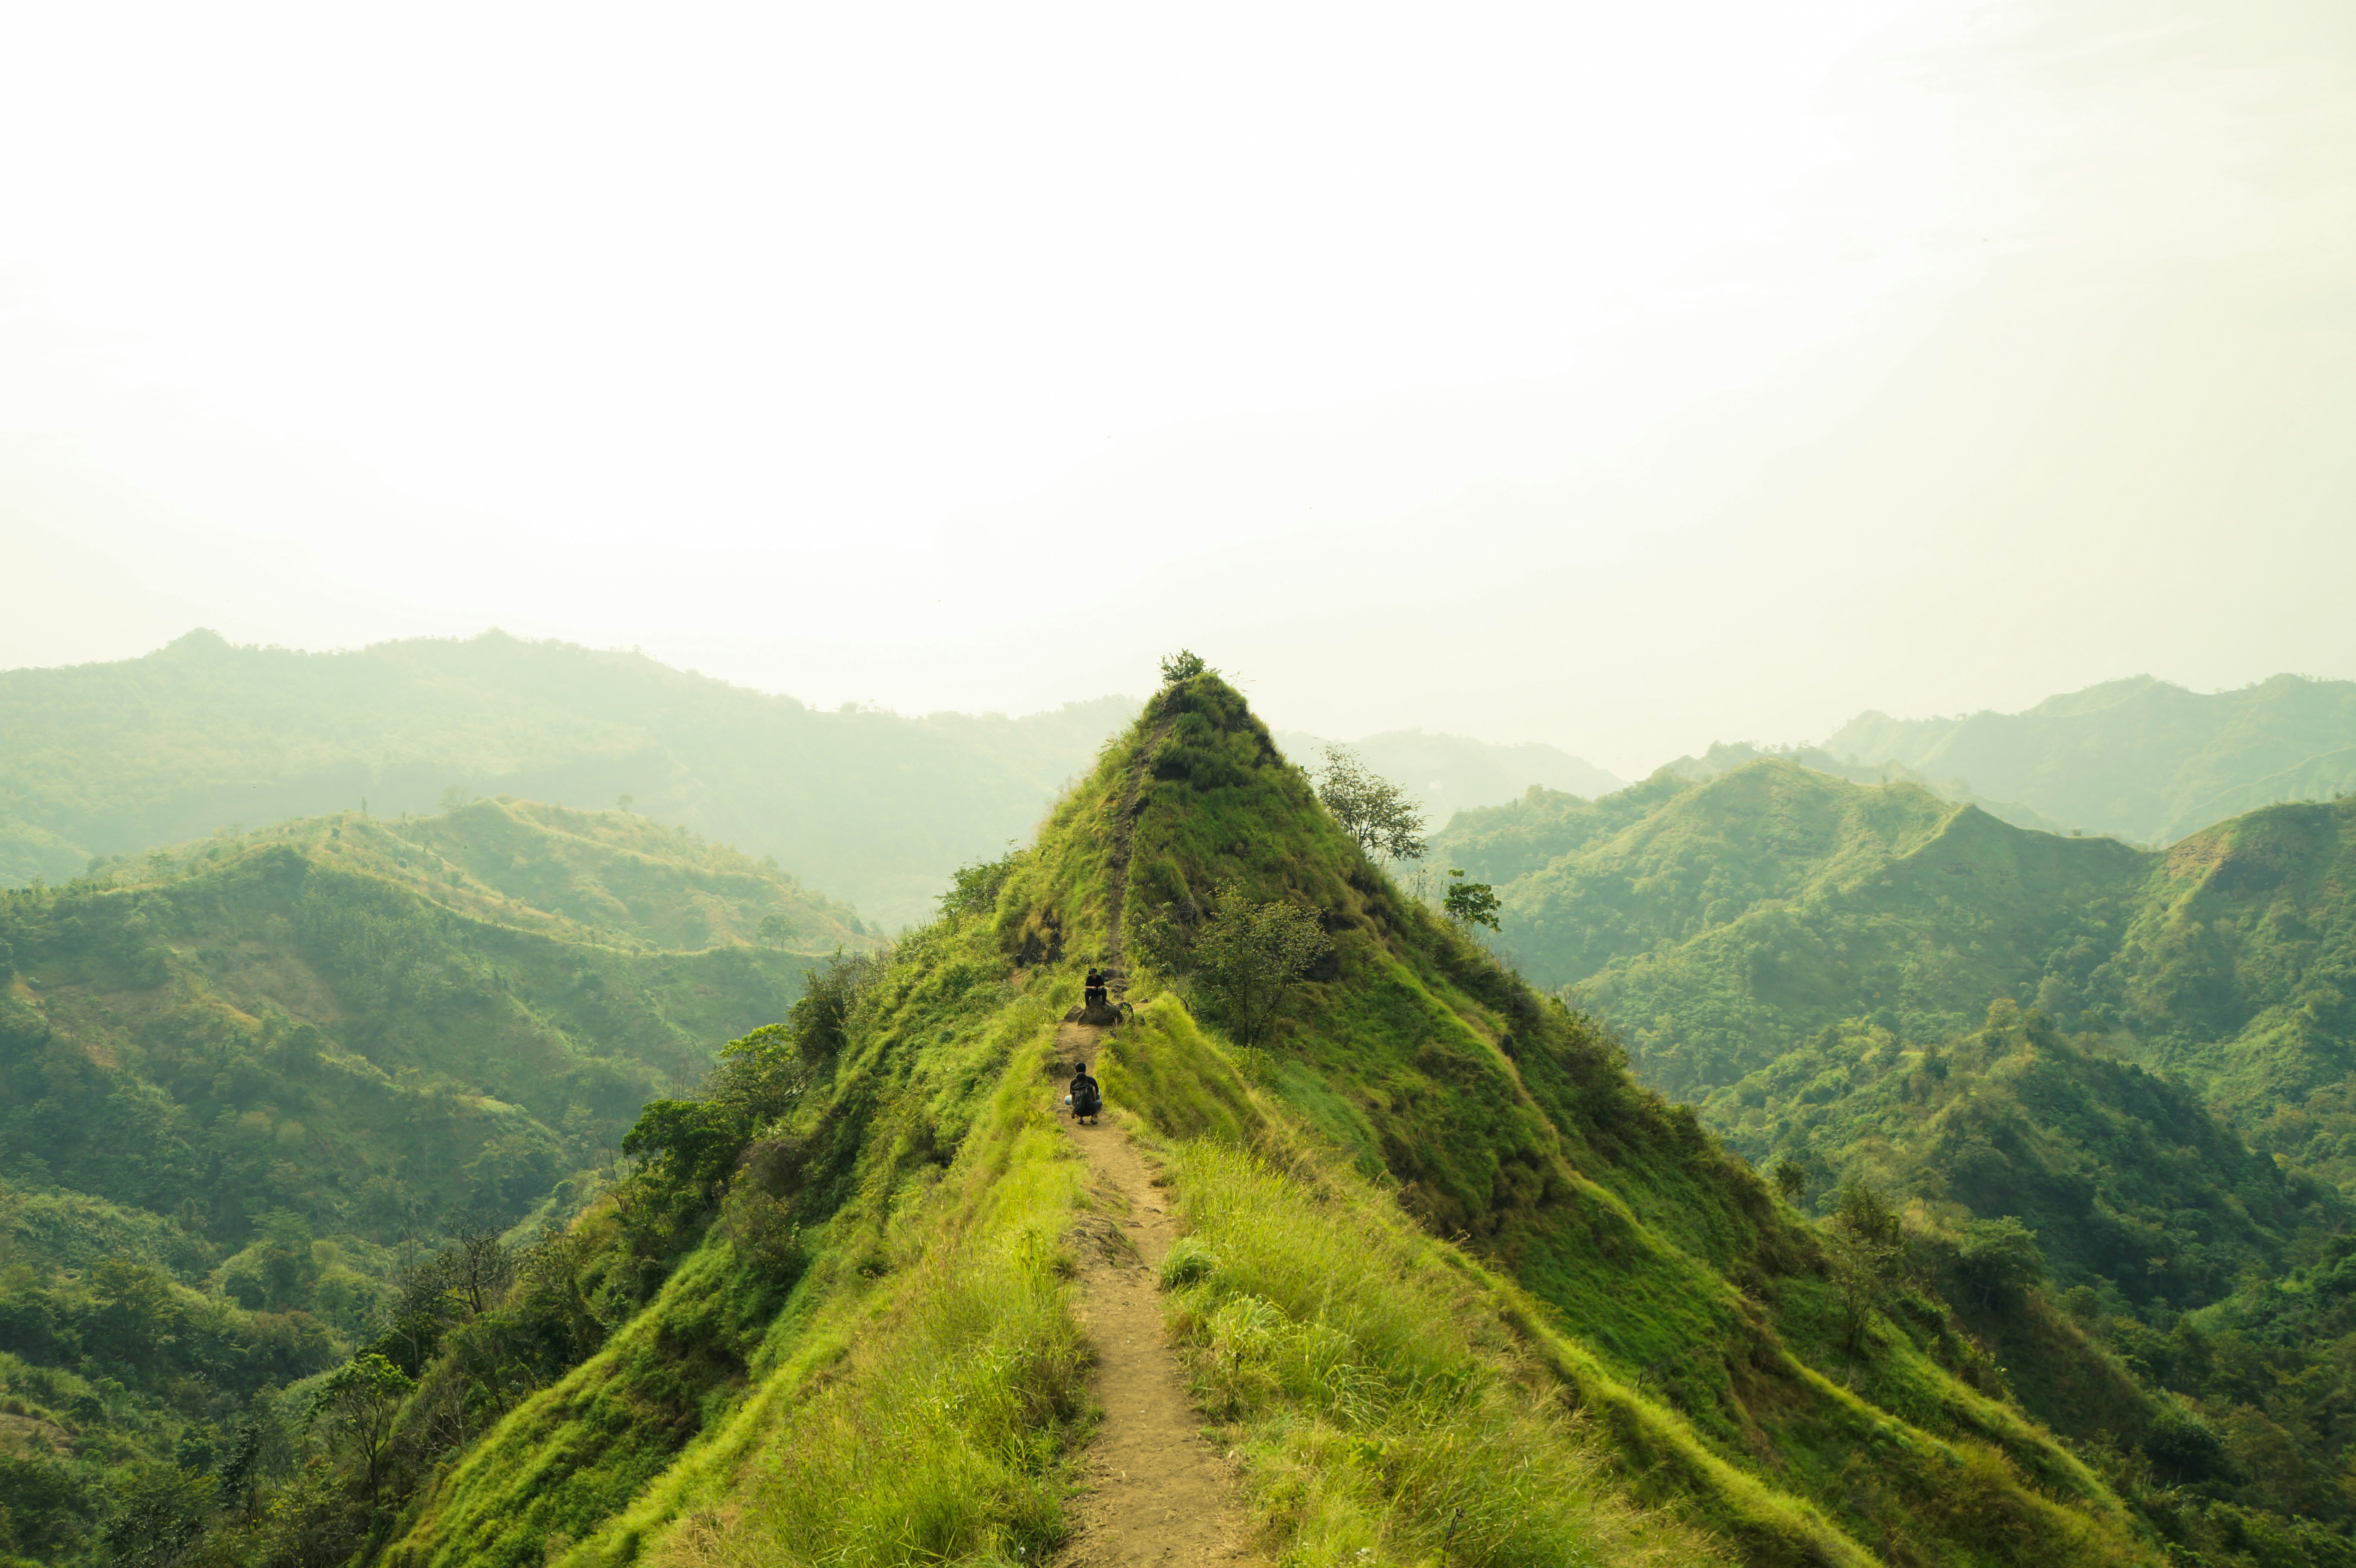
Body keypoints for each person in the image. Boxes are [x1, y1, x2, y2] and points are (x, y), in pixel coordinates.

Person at [1068, 1061, 1102, 1125]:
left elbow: (1073, 1100)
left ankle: (1080, 1118)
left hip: (1079, 1110)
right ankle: (1093, 1118)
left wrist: (1075, 1108)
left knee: (1067, 1099)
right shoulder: (1091, 1085)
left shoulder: (1074, 1084)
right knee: (1100, 1100)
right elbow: (1095, 1099)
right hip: (1090, 1109)